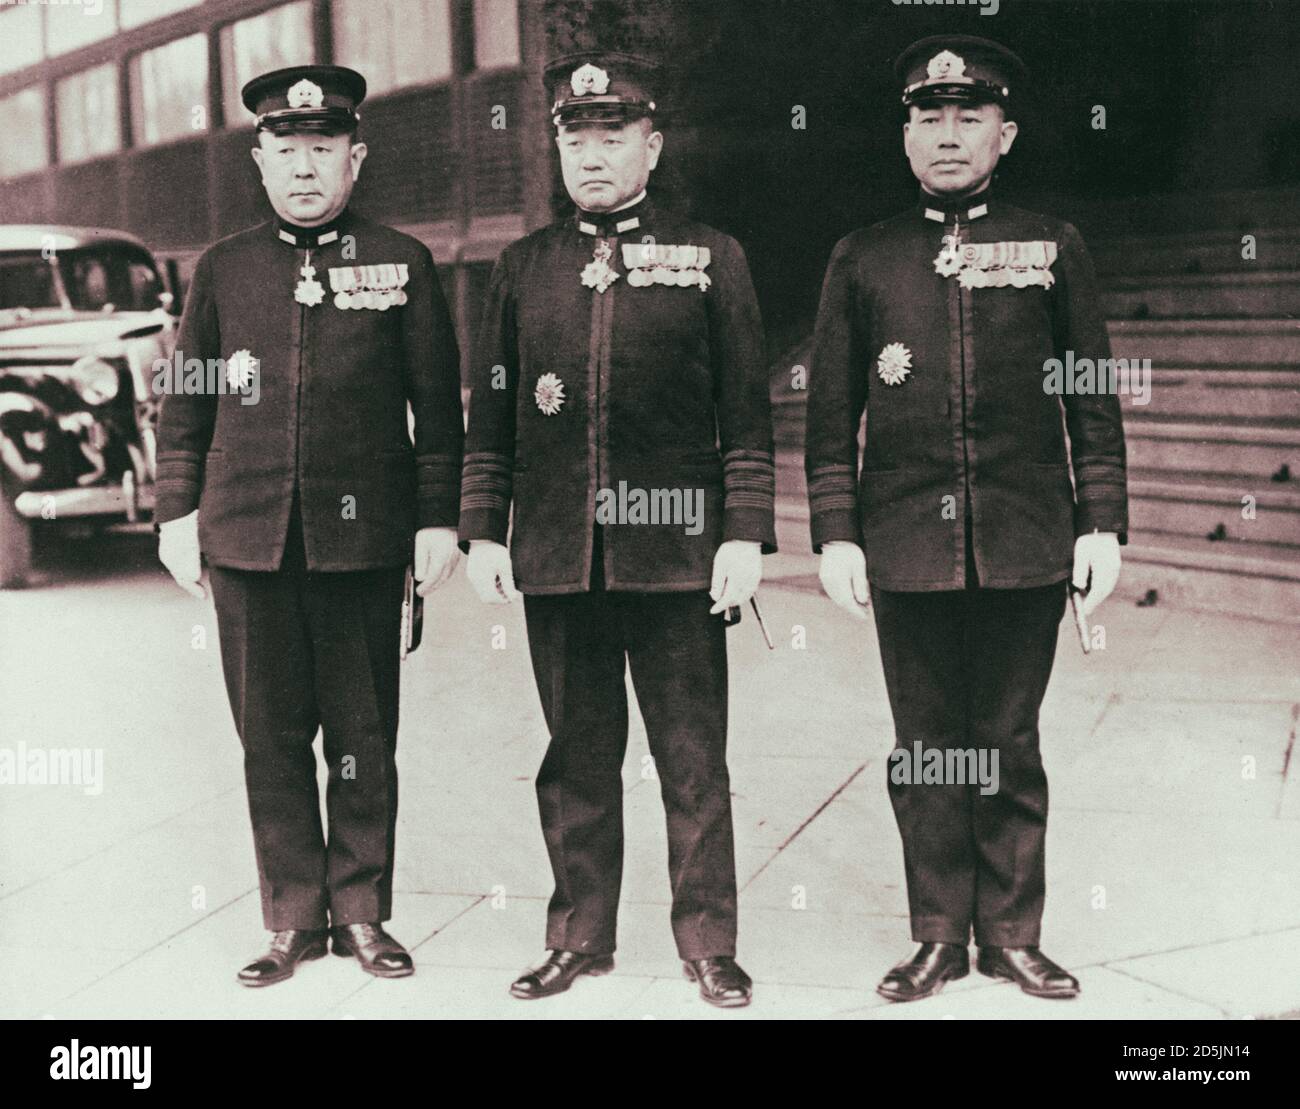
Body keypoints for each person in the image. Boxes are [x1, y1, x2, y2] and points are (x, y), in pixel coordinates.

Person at [804, 35, 1127, 1002]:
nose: (949, 136)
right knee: (929, 743)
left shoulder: (1053, 246)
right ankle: (940, 931)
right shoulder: (863, 257)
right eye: (929, 117)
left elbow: (1091, 398)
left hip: (1027, 533)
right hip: (904, 542)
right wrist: (836, 531)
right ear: (906, 136)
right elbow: (830, 415)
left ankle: (1015, 931)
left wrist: (1101, 519)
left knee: (1009, 738)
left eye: (970, 116)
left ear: (1007, 133)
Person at [459, 51, 776, 1008]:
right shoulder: (522, 268)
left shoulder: (711, 257)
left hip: (675, 553)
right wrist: (482, 526)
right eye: (576, 138)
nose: (592, 156)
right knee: (576, 759)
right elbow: (495, 416)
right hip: (558, 552)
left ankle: (708, 941)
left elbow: (746, 417)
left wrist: (742, 533)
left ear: (653, 144)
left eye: (612, 136)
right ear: (557, 149)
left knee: (691, 758)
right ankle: (579, 935)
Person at [155, 65, 464, 986]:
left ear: (355, 159)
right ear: (259, 159)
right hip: (247, 540)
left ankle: (364, 911)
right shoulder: (222, 268)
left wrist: (436, 521)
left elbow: (436, 413)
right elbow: (187, 404)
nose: (303, 167)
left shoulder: (402, 262)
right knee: (271, 737)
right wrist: (178, 510)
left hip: (364, 542)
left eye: (321, 149)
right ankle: (293, 917)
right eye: (285, 150)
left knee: (365, 736)